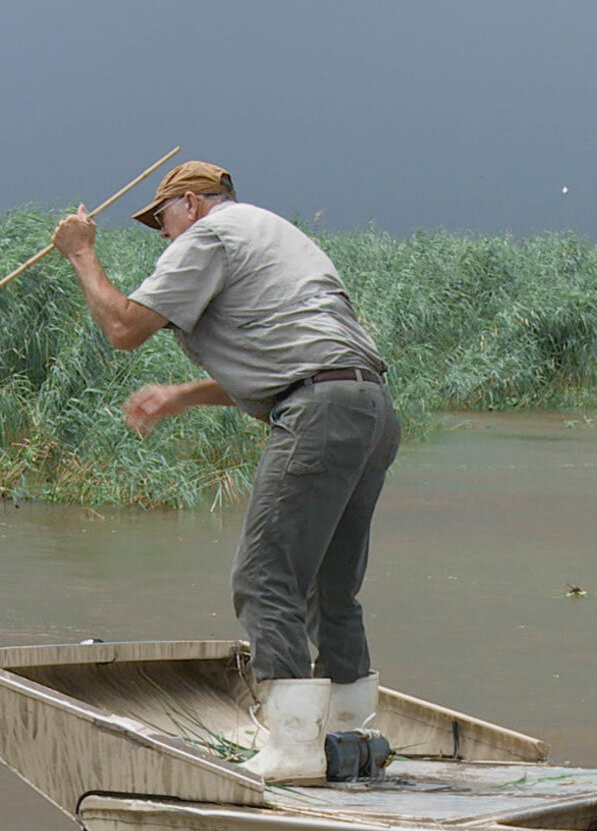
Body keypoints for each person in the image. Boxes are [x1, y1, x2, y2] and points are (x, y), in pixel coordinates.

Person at [50, 160, 401, 783]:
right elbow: (290, 356)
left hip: (320, 409)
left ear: (191, 203)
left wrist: (79, 253)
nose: (162, 233)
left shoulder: (210, 235)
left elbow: (125, 327)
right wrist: (183, 394)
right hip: (368, 407)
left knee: (265, 575)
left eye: (162, 218)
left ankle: (293, 749)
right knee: (330, 584)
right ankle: (354, 738)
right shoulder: (272, 233)